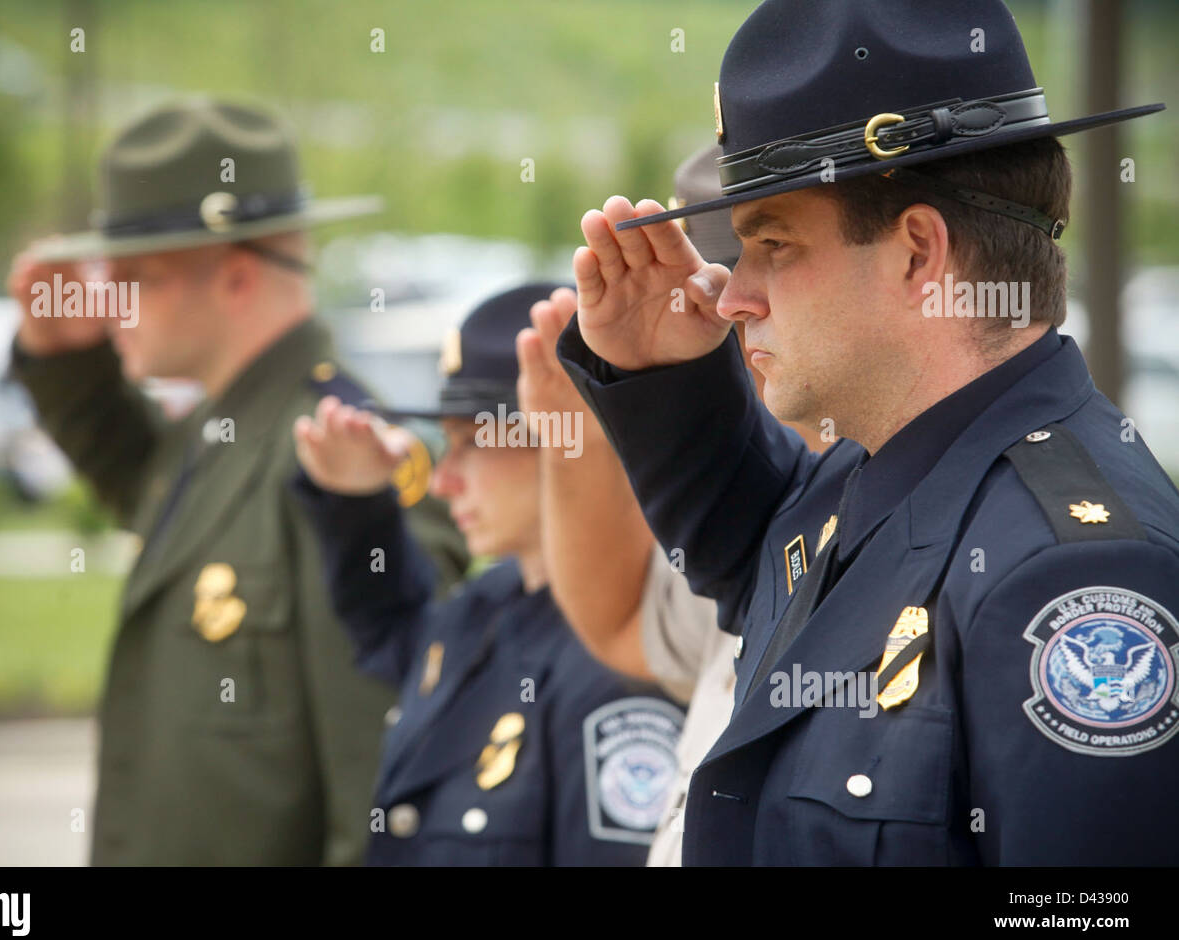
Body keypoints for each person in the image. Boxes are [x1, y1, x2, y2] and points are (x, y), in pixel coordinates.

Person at [557, 0, 1177, 865]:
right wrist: (659, 370)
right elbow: (757, 543)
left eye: (772, 243)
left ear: (918, 253)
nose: (734, 295)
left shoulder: (1072, 574)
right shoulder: (879, 472)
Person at [6, 98, 467, 865]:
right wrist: (67, 361)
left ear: (237, 278)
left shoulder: (346, 458)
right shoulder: (217, 432)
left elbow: (384, 797)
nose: (107, 304)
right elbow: (146, 487)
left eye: (133, 279)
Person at [290, 282, 684, 865]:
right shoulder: (495, 599)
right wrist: (357, 503)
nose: (444, 481)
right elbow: (391, 635)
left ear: (565, 437)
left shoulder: (625, 657)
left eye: (473, 443)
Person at [516, 146, 825, 867]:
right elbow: (622, 619)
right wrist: (580, 440)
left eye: (770, 261)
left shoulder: (908, 511)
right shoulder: (783, 523)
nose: (741, 311)